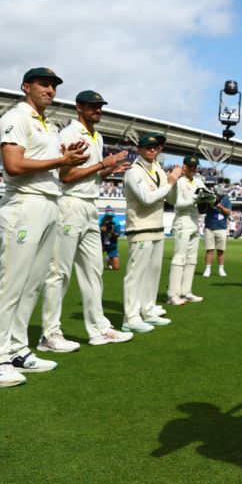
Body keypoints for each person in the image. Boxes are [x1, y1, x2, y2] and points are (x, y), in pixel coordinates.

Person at [0, 67, 89, 386]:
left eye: (53, 86)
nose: (50, 90)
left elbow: (54, 169)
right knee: (10, 283)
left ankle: (17, 350)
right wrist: (60, 162)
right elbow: (13, 165)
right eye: (43, 84)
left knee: (31, 284)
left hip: (49, 203)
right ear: (26, 87)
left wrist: (68, 159)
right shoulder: (16, 117)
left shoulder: (47, 125)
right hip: (24, 204)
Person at [39, 90, 134, 353]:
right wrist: (102, 164)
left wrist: (106, 171)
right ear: (79, 107)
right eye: (93, 106)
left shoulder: (98, 136)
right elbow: (66, 176)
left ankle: (99, 328)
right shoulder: (69, 134)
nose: (98, 110)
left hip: (89, 206)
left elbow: (89, 176)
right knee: (59, 272)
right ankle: (49, 335)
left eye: (100, 106)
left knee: (94, 271)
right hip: (70, 205)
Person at [121, 132, 182, 333]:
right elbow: (146, 198)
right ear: (139, 149)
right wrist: (170, 183)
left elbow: (171, 200)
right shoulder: (134, 171)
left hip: (157, 228)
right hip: (140, 227)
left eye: (155, 147)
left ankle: (147, 310)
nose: (153, 150)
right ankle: (130, 317)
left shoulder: (158, 169)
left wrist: (173, 182)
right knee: (136, 274)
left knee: (153, 273)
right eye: (148, 147)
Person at [166, 156, 205, 305]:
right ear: (184, 166)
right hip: (183, 219)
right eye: (189, 166)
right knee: (179, 257)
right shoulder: (179, 182)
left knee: (192, 258)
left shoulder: (199, 182)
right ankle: (173, 294)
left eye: (194, 166)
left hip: (195, 220)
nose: (192, 169)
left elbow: (206, 197)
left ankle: (186, 291)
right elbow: (177, 204)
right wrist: (194, 200)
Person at [201, 185, 233, 277]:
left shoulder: (226, 199)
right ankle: (207, 269)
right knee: (209, 250)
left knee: (221, 250)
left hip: (221, 227)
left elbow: (228, 212)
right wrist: (210, 203)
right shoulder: (209, 198)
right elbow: (203, 209)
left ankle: (221, 269)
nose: (218, 196)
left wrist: (220, 206)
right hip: (209, 227)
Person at [100, 205, 121, 270]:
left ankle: (109, 258)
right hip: (101, 244)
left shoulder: (117, 223)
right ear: (105, 216)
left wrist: (112, 232)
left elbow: (117, 236)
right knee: (94, 262)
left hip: (112, 245)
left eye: (111, 217)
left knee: (116, 267)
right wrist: (101, 230)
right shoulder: (100, 222)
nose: (109, 218)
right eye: (108, 217)